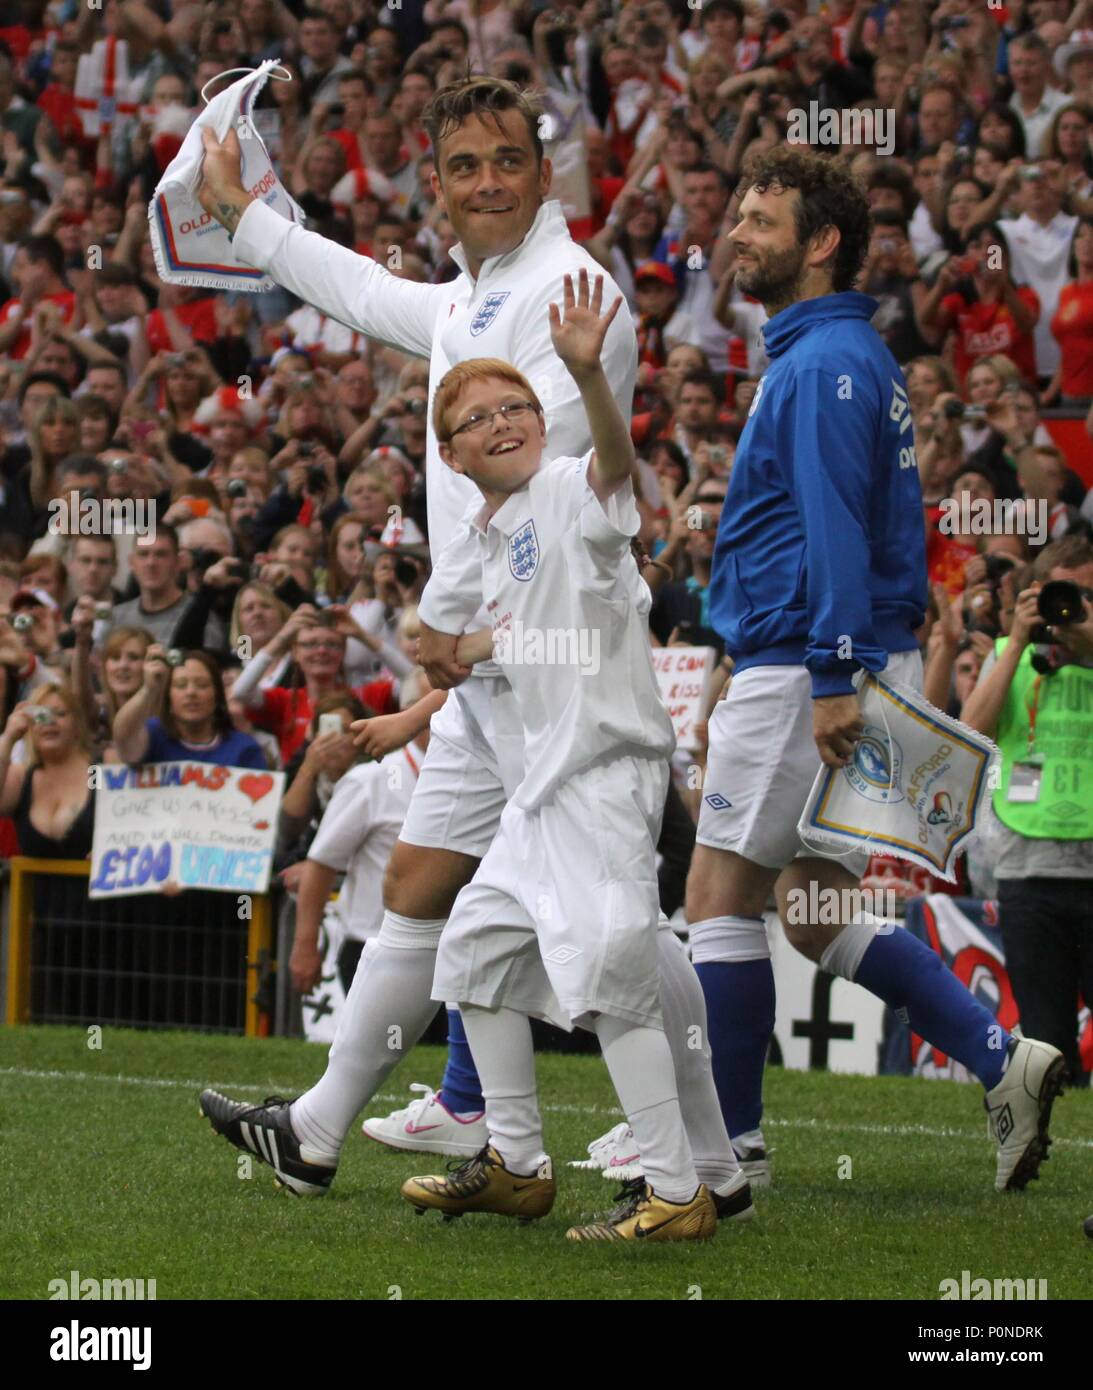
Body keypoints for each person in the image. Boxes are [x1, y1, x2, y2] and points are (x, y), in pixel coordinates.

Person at [195, 76, 745, 1215]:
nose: (487, 181)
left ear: (543, 172)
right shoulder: (470, 297)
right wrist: (241, 215)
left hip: (546, 669)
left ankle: (686, 1171)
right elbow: (358, 288)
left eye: (508, 159)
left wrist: (441, 634)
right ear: (435, 183)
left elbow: (523, 477)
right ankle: (334, 1133)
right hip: (493, 670)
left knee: (591, 933)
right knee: (434, 892)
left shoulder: (568, 287)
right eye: (464, 166)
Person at [680, 146, 1064, 1195]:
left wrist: (831, 673)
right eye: (738, 216)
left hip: (808, 662)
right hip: (849, 655)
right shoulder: (838, 353)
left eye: (763, 221)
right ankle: (1001, 1058)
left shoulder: (816, 364)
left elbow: (834, 528)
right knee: (811, 906)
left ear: (820, 243)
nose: (736, 235)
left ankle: (730, 1158)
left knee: (717, 894)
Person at [400, 274, 724, 1241]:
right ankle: (517, 1163)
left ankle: (675, 1192)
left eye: (515, 407)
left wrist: (589, 378)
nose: (501, 421)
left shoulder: (563, 487)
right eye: (475, 416)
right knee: (475, 954)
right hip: (545, 789)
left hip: (603, 774)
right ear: (449, 456)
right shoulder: (501, 536)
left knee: (611, 969)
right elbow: (563, 638)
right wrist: (467, 653)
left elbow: (614, 470)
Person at [962, 535, 1093, 1088]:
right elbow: (972, 730)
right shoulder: (1006, 655)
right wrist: (1016, 639)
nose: (1073, 607)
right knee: (1046, 1040)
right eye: (1063, 594)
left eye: (1085, 595)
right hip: (1026, 868)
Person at [112, 645, 268, 770]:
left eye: (202, 685)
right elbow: (123, 736)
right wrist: (148, 689)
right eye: (180, 685)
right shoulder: (153, 735)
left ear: (217, 697)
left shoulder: (244, 749)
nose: (191, 692)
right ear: (169, 698)